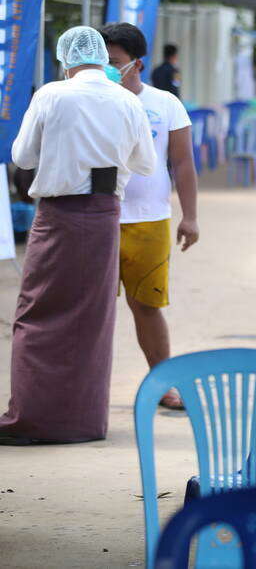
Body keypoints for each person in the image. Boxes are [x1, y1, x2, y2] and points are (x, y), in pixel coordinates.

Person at [0, 26, 156, 444]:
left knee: (37, 313)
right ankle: (84, 421)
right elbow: (145, 164)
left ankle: (31, 418)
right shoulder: (126, 100)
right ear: (104, 57)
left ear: (64, 58)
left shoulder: (51, 95)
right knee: (92, 318)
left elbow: (22, 156)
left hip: (57, 215)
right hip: (105, 214)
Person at [100, 22, 200, 411]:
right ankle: (86, 389)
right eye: (101, 61)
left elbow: (182, 162)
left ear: (137, 64)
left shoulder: (165, 104)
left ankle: (163, 383)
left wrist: (190, 216)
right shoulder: (92, 100)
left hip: (149, 221)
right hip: (98, 219)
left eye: (114, 62)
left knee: (147, 306)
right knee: (92, 308)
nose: (106, 69)